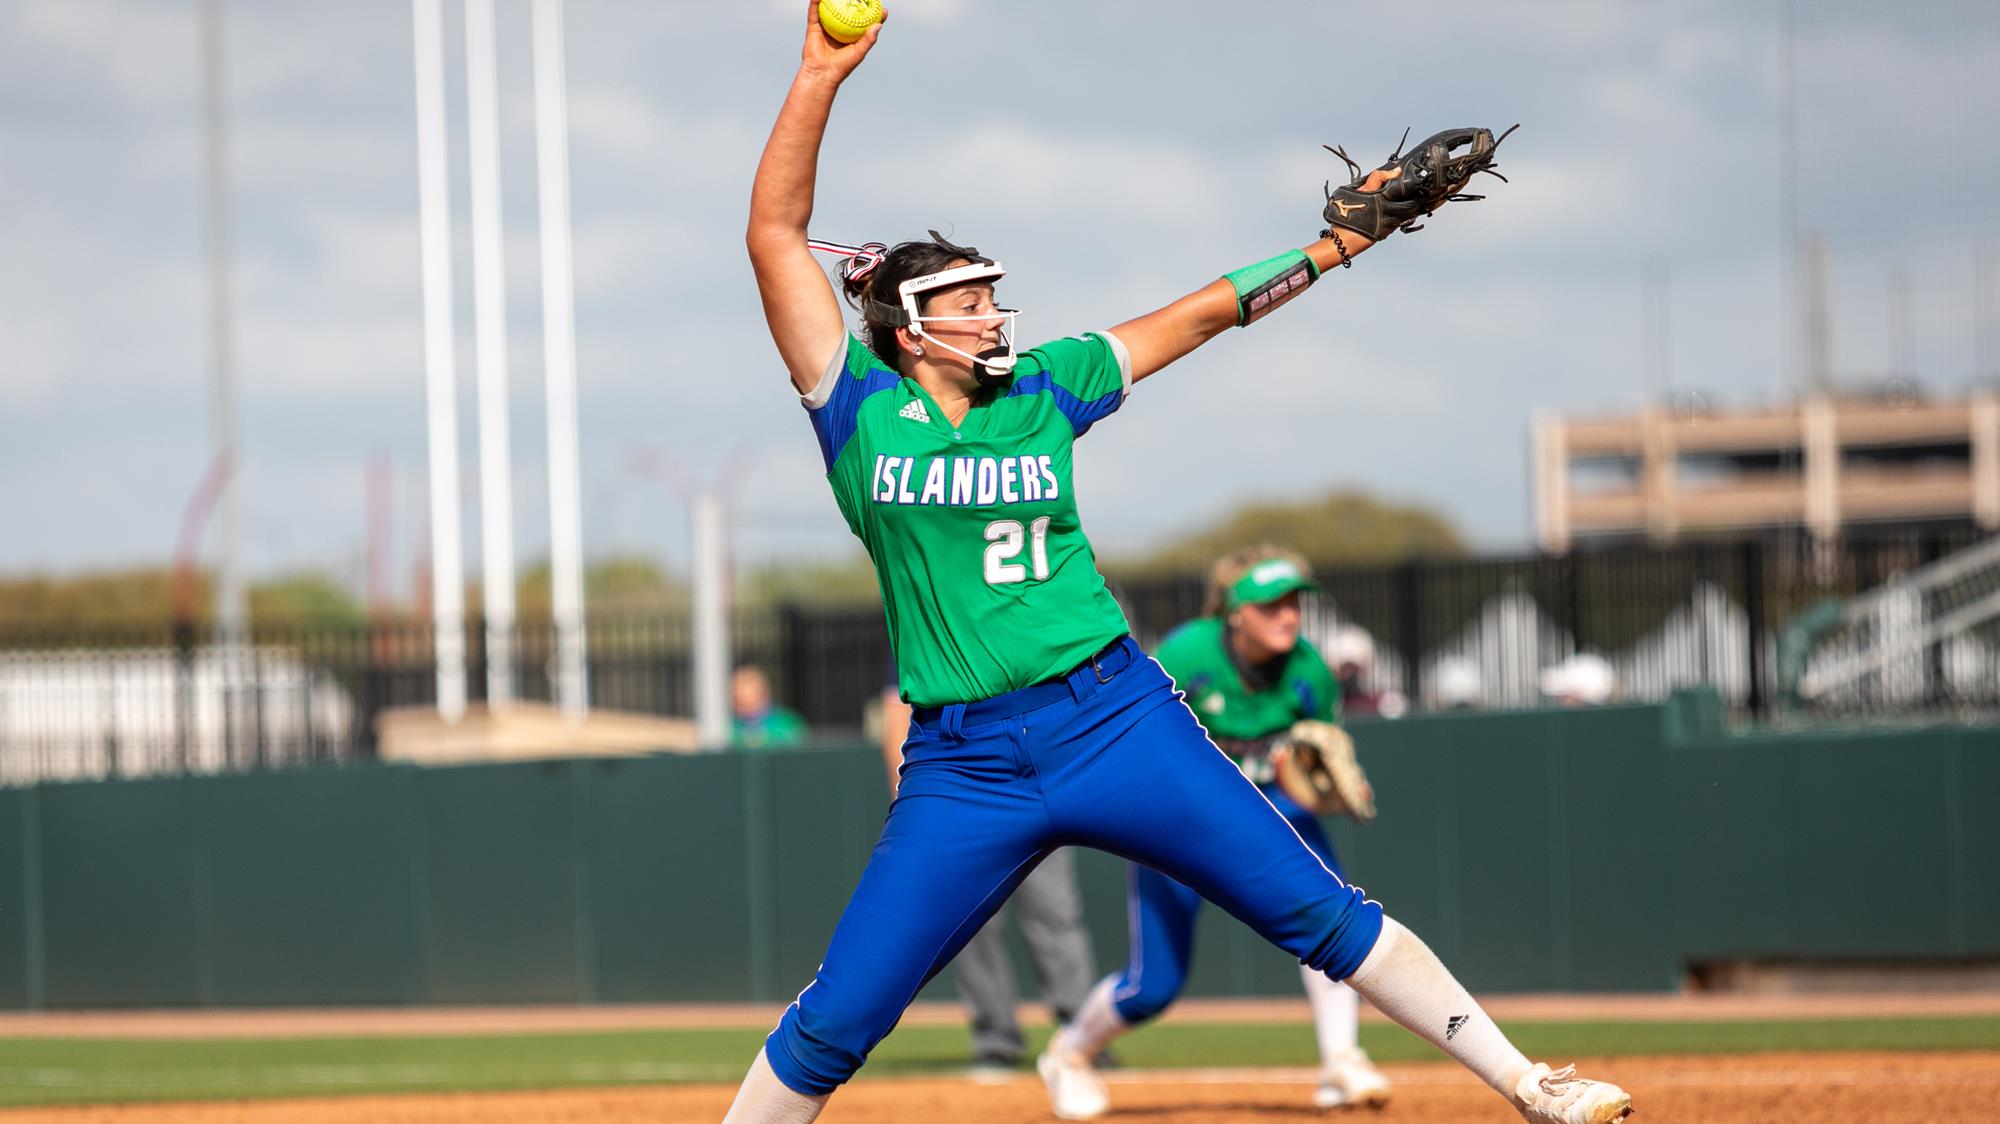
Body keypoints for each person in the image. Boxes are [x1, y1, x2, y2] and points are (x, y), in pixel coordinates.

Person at [723, 8, 1632, 1124]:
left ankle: (1528, 1083)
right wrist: (820, 69)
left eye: (991, 292)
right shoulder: (856, 408)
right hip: (963, 763)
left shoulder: (1046, 386)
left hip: (1112, 715)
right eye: (966, 301)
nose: (993, 312)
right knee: (839, 1015)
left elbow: (1201, 314)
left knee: (1319, 912)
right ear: (908, 331)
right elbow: (775, 233)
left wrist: (1335, 245)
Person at [1049, 547, 1392, 1111]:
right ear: (1235, 611)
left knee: (1333, 917)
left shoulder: (1309, 671)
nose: (1288, 615)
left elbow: (1317, 767)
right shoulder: (1188, 653)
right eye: (1270, 605)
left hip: (1269, 815)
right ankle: (1069, 1054)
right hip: (1182, 820)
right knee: (1153, 986)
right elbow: (1140, 743)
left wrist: (1322, 789)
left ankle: (1342, 1061)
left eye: (1294, 603)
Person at [878, 684, 1098, 1073]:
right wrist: (907, 791)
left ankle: (1085, 1037)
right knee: (972, 926)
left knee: (1055, 914)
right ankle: (996, 1040)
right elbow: (895, 705)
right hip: (965, 786)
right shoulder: (927, 623)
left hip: (1036, 778)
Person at [731, 664, 808, 750]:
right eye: (737, 700)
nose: (740, 703)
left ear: (762, 694)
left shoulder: (787, 724)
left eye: (744, 699)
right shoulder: (727, 726)